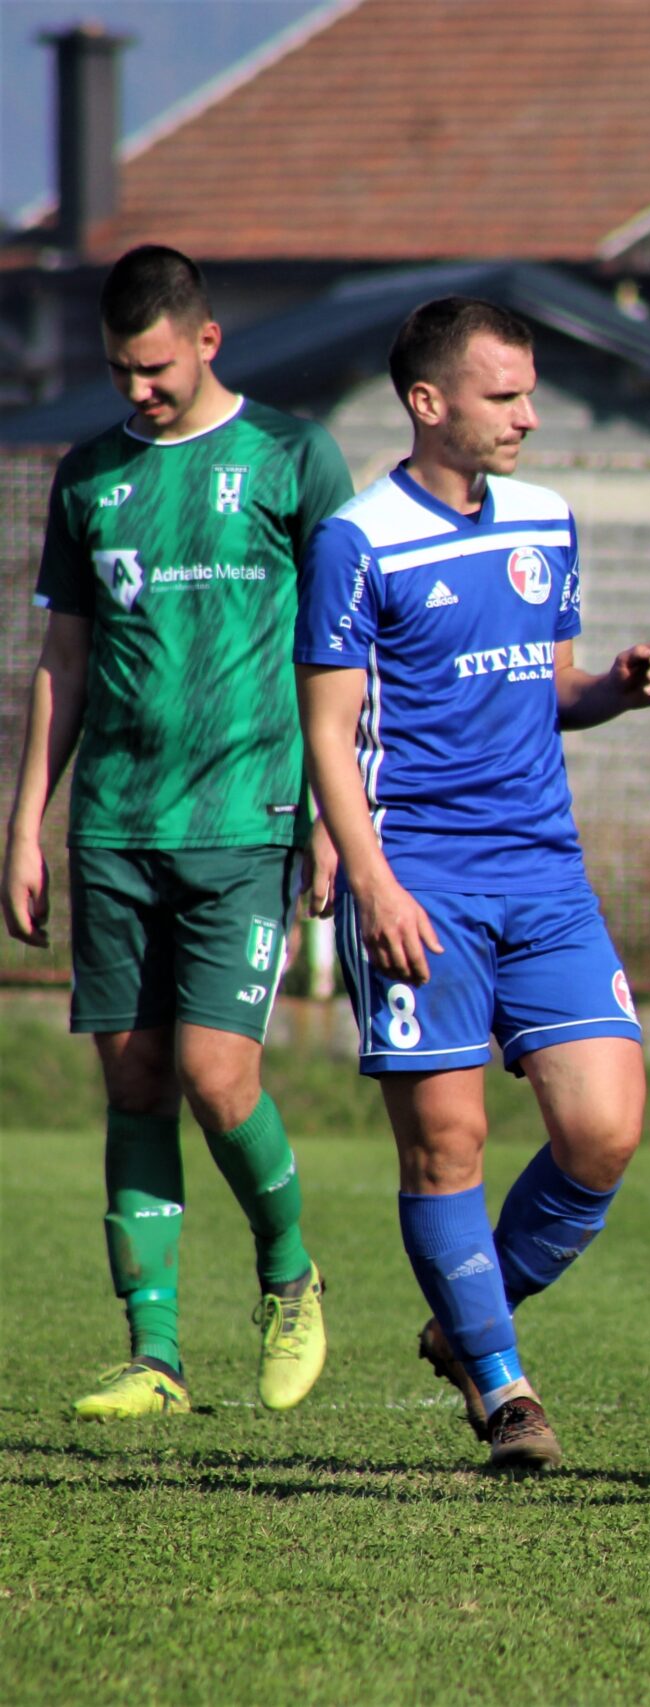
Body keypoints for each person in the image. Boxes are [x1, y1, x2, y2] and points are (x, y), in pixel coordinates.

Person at [296, 297, 650, 1472]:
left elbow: (544, 687)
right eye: (503, 395)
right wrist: (373, 883)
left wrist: (609, 689)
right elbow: (328, 731)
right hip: (422, 884)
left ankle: (468, 1324)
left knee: (603, 1131)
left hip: (545, 872)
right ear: (429, 404)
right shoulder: (357, 541)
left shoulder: (546, 521)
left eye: (527, 391)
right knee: (447, 1143)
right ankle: (505, 1390)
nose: (528, 415)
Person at [6, 245, 348, 1419]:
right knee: (135, 1079)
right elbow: (63, 660)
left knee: (215, 1072)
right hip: (114, 821)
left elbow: (342, 657)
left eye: (153, 367)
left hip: (245, 817)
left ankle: (289, 1271)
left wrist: (343, 816)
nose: (136, 391)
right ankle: (155, 1356)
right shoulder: (89, 475)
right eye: (117, 371)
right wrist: (25, 827)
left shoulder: (293, 458)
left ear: (208, 340)